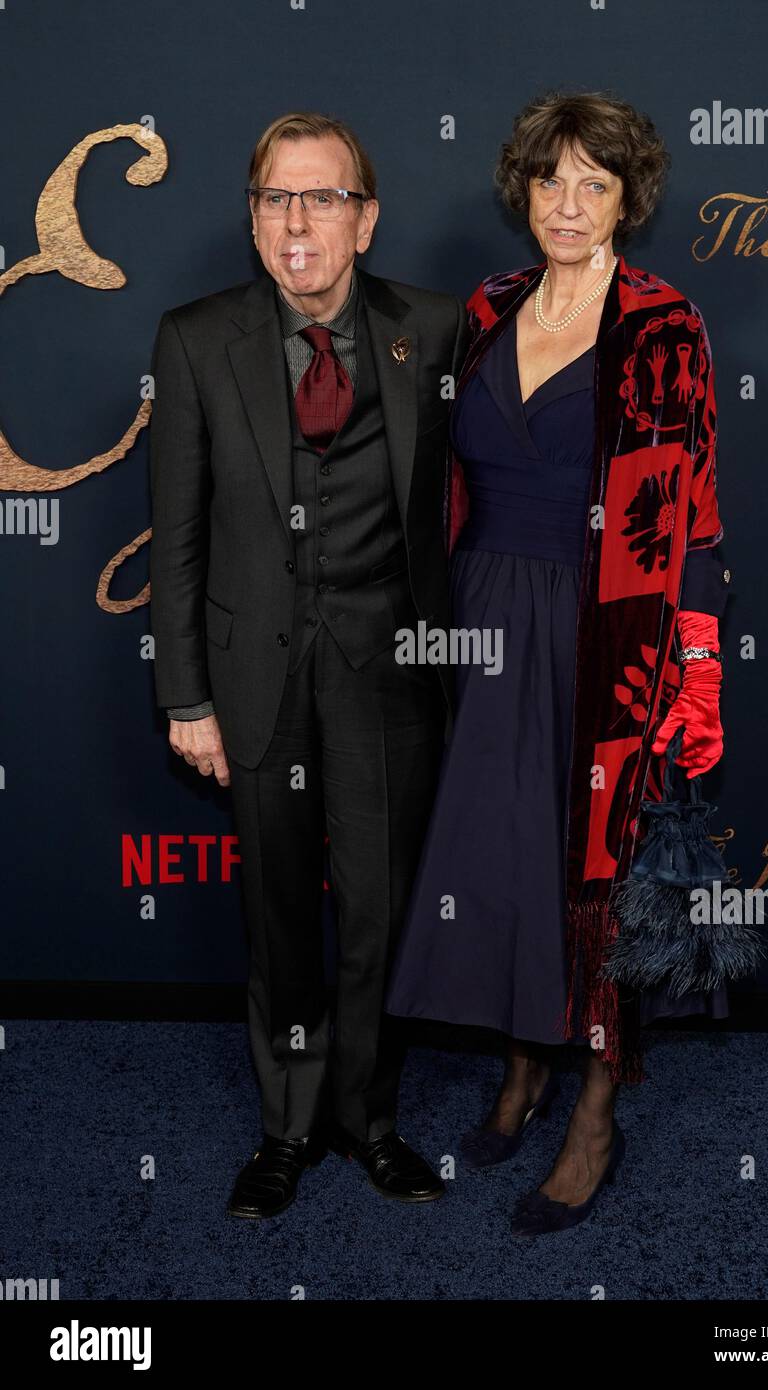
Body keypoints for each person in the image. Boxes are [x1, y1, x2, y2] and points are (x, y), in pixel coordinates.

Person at [386, 91, 733, 1238]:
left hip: (605, 639)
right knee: (495, 859)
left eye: (596, 182)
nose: (569, 204)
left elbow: (691, 516)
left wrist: (695, 671)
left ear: (630, 199)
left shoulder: (662, 326)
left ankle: (591, 1108)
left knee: (594, 882)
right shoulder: (484, 308)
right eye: (550, 181)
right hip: (480, 620)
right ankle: (522, 1064)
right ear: (521, 191)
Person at [149, 111, 468, 1218]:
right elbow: (176, 534)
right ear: (251, 218)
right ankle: (285, 1128)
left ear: (364, 219)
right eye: (276, 198)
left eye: (322, 197)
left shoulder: (432, 331)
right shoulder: (193, 340)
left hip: (389, 675)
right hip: (251, 681)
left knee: (380, 911)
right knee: (279, 912)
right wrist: (185, 694)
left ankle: (368, 1121)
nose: (297, 221)